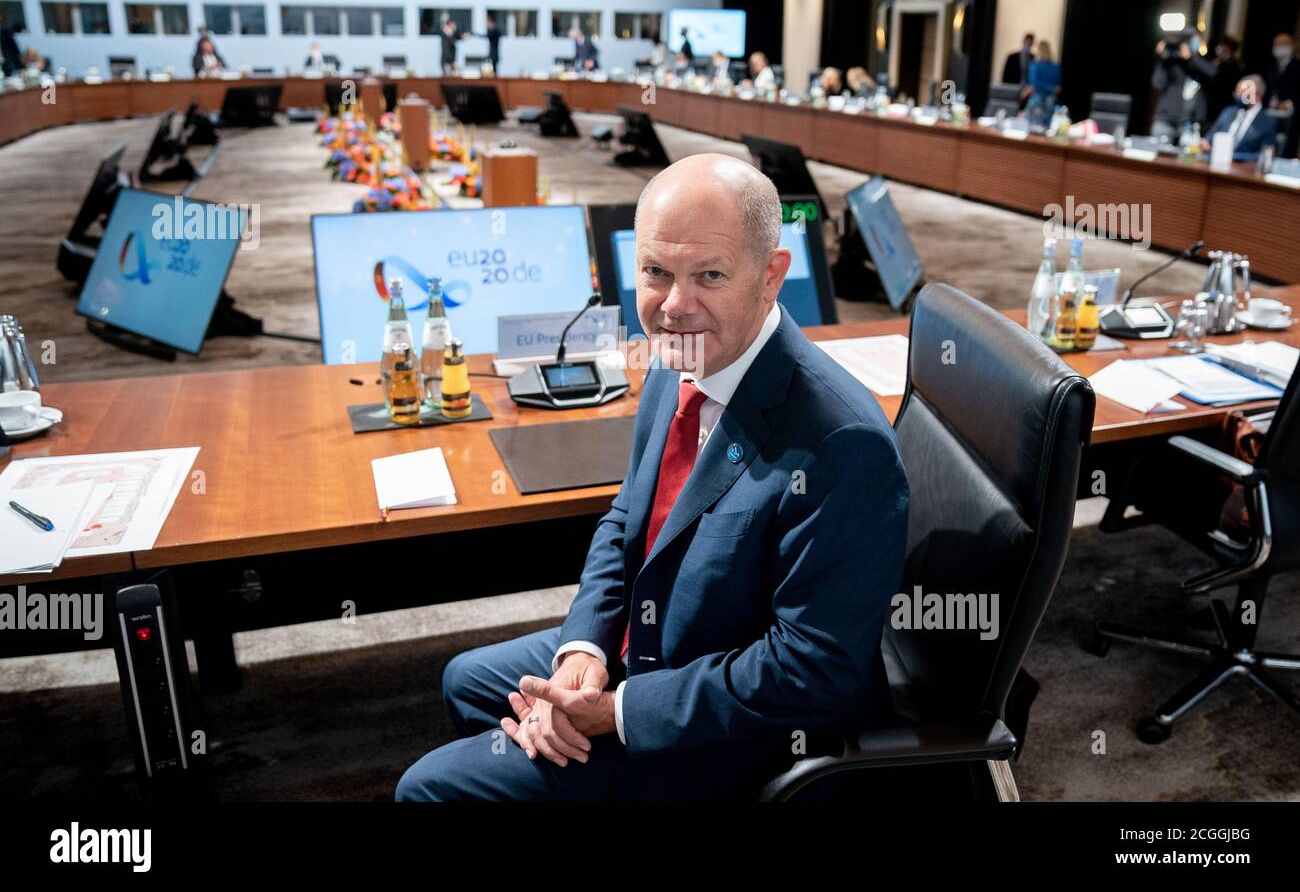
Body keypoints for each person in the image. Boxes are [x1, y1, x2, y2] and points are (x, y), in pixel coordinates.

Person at [395, 152, 909, 801]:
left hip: (747, 731)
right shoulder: (681, 356)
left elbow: (810, 669)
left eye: (710, 275)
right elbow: (628, 519)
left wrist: (619, 710)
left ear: (771, 274)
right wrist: (583, 647)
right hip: (661, 638)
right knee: (466, 678)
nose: (674, 304)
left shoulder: (841, 444)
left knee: (429, 789)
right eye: (655, 272)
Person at [1202, 75, 1276, 162]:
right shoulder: (1228, 112)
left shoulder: (1267, 122)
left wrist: (1232, 156)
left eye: (1243, 95)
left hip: (1244, 170)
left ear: (1257, 95)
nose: (1239, 98)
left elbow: (1265, 154)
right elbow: (1209, 137)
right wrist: (1206, 144)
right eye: (1237, 94)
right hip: (1215, 163)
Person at [1150, 36, 1205, 140]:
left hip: (1190, 125)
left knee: (1188, 156)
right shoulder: (1169, 64)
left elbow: (1212, 72)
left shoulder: (1198, 63)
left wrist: (1190, 57)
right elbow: (1157, 84)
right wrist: (1163, 59)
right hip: (1165, 120)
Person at [1191, 35, 1243, 128]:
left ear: (1227, 48)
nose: (1218, 49)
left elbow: (1218, 85)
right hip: (1210, 109)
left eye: (1221, 46)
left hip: (1218, 110)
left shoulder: (1231, 66)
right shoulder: (1218, 63)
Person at [1023, 40, 1061, 126]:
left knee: (1032, 127)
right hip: (1051, 99)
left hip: (1037, 98)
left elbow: (1034, 85)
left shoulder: (1035, 66)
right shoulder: (1056, 67)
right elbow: (1057, 87)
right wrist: (1052, 89)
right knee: (1047, 127)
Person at [1265, 32, 1298, 113]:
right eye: (1276, 44)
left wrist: (1289, 104)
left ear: (1292, 46)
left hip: (1293, 115)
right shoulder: (1271, 68)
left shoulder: (1297, 66)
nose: (1278, 47)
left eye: (1282, 43)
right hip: (1272, 111)